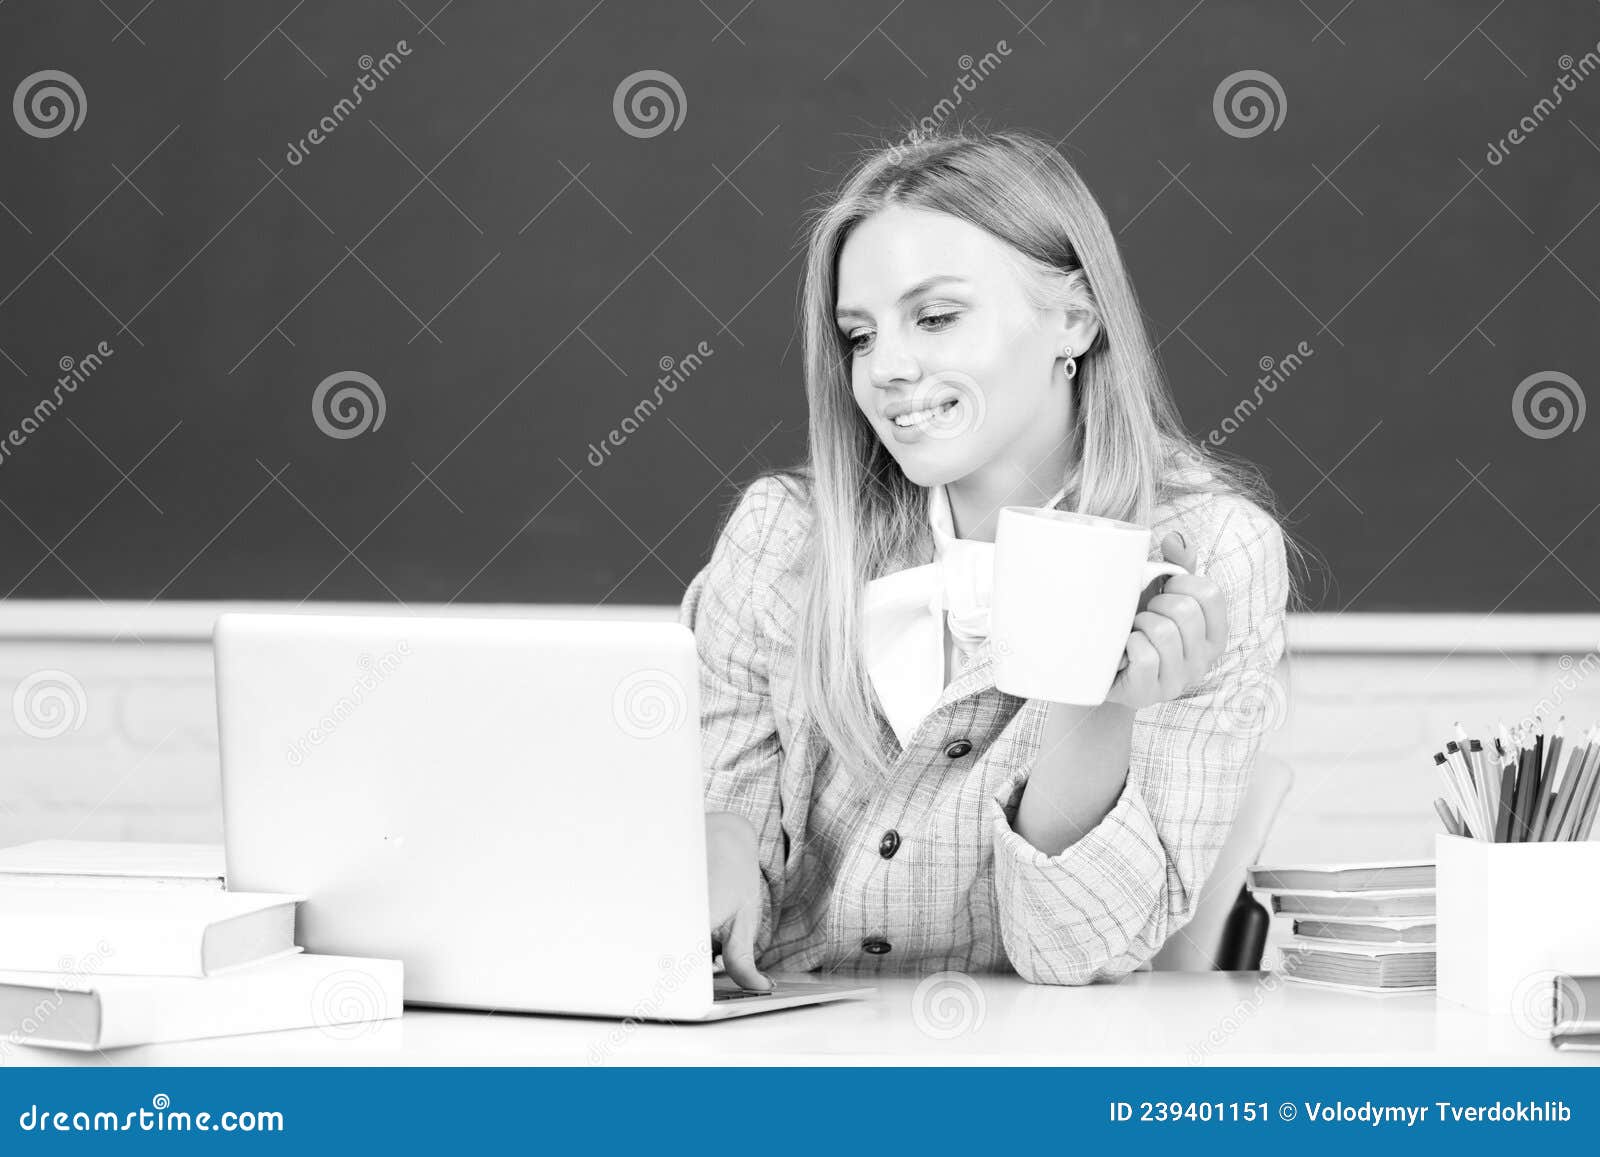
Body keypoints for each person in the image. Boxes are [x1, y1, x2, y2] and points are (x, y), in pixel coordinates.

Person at [682, 126, 1297, 990]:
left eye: (935, 318)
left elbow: (1074, 952)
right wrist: (718, 838)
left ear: (1074, 319)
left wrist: (1100, 701)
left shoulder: (1208, 554)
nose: (886, 369)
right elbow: (722, 815)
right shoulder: (784, 537)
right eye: (859, 336)